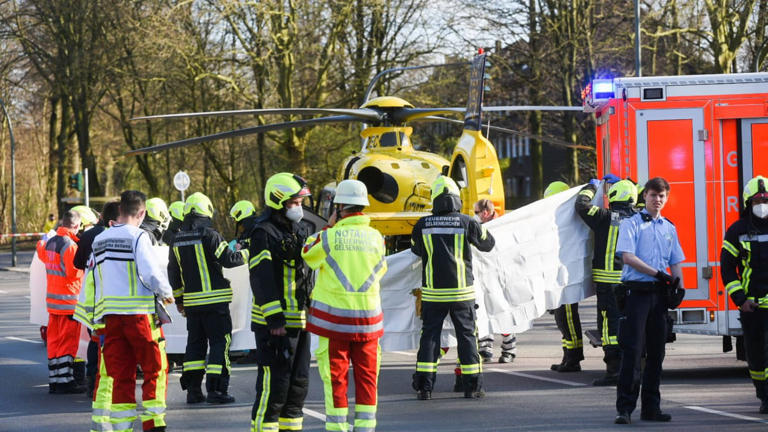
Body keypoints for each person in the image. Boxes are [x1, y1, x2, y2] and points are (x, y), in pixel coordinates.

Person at [302, 179, 387, 432]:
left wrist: (327, 228)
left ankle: (338, 429)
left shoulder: (328, 238)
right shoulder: (377, 238)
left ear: (338, 207)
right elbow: (382, 268)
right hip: (369, 325)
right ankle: (365, 428)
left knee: (336, 380)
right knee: (368, 378)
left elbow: (307, 253)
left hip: (335, 325)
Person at [91, 190, 174, 432]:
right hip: (139, 315)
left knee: (121, 375)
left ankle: (122, 427)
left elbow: (94, 279)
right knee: (155, 369)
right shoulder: (138, 237)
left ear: (120, 210)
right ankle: (154, 423)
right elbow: (151, 273)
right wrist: (167, 295)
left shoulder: (100, 239)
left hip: (111, 318)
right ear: (141, 213)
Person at [411, 176, 495, 400]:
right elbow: (488, 244)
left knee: (429, 338)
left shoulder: (422, 224)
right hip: (462, 293)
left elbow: (416, 250)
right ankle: (473, 387)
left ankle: (424, 388)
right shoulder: (468, 222)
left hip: (433, 293)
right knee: (467, 337)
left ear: (435, 198)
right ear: (457, 198)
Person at [614, 177, 683, 424]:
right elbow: (628, 257)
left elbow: (675, 260)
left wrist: (679, 287)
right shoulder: (632, 224)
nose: (658, 200)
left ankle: (651, 408)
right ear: (645, 196)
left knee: (657, 352)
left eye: (662, 196)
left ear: (666, 198)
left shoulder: (669, 227)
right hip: (638, 294)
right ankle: (624, 409)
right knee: (632, 351)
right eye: (654, 195)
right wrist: (657, 274)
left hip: (659, 296)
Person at [249, 173, 314, 432]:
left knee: (298, 384)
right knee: (274, 385)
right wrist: (274, 319)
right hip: (273, 324)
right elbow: (261, 278)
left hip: (300, 319)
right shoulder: (262, 233)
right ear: (279, 201)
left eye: (300, 201)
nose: (299, 206)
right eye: (295, 202)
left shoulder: (302, 229)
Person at [168, 192, 248, 404]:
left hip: (192, 306)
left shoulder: (176, 240)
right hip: (216, 304)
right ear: (207, 210)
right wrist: (249, 252)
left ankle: (193, 391)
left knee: (195, 347)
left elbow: (173, 274)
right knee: (220, 344)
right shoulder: (210, 235)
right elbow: (230, 259)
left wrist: (179, 301)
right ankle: (217, 390)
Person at [575, 178, 637, 386]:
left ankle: (613, 371)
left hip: (607, 285)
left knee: (609, 326)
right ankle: (633, 368)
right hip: (632, 284)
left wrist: (591, 186)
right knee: (631, 325)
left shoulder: (604, 216)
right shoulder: (640, 219)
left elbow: (581, 205)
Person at [721, 175, 768, 414]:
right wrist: (740, 300)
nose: (762, 204)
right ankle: (763, 394)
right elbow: (727, 268)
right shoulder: (737, 230)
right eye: (757, 200)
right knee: (757, 357)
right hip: (753, 307)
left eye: (766, 199)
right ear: (748, 202)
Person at [73, 200, 121, 397]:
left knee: (95, 339)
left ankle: (93, 379)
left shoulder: (88, 236)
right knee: (115, 341)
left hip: (92, 295)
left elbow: (77, 263)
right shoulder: (120, 234)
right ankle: (112, 381)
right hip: (115, 296)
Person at [37, 210, 85, 394]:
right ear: (76, 225)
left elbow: (40, 250)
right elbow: (73, 272)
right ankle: (66, 382)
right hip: (68, 302)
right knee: (67, 343)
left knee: (54, 342)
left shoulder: (51, 243)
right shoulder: (70, 246)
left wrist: (42, 239)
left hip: (53, 303)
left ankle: (55, 380)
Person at [543, 181, 584, 373]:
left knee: (567, 317)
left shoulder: (567, 218)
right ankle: (568, 355)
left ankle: (573, 358)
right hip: (559, 275)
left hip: (567, 276)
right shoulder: (558, 217)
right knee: (562, 319)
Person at [474, 198, 517, 364]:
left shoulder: (501, 226)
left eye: (476, 212)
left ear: (485, 213)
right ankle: (485, 348)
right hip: (483, 274)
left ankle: (509, 349)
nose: (474, 215)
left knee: (501, 311)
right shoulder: (482, 226)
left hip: (499, 277)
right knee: (482, 311)